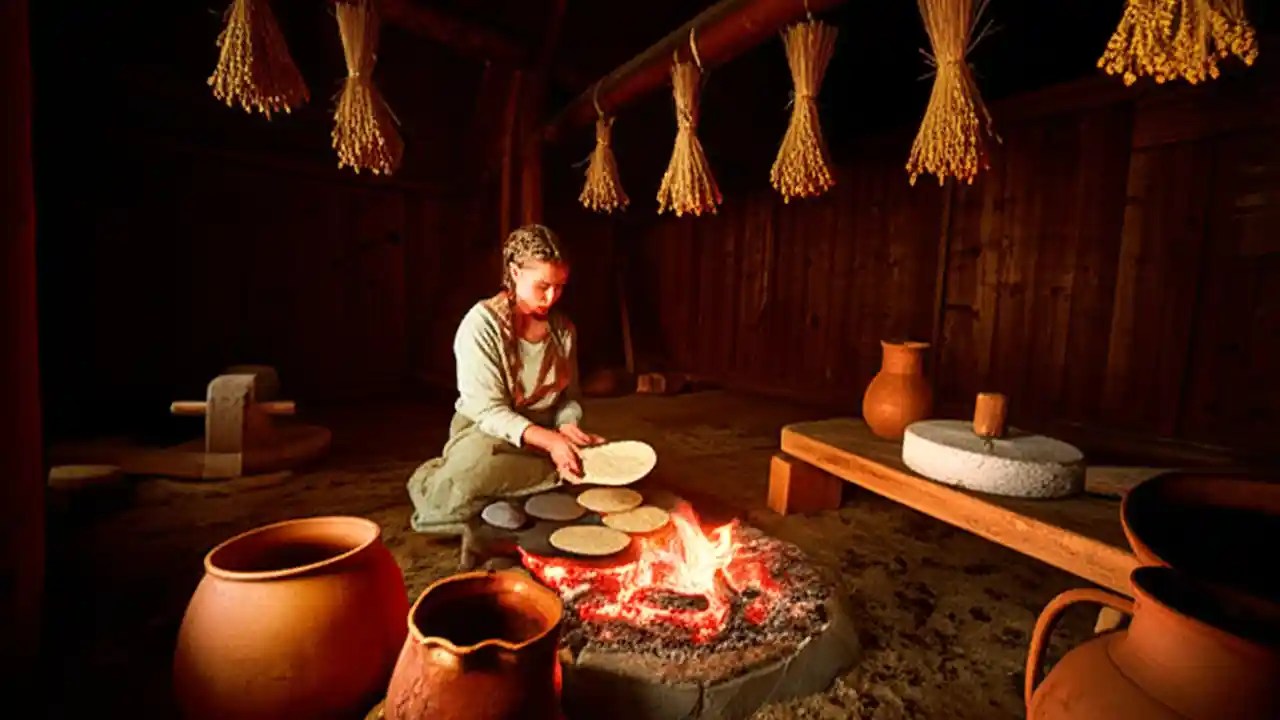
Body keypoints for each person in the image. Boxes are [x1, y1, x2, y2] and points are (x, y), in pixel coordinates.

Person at [407, 224, 605, 535]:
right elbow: (488, 412)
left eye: (560, 286)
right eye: (543, 286)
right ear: (514, 272)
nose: (551, 297)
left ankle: (511, 495)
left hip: (548, 437)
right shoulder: (481, 325)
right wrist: (551, 441)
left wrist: (568, 426)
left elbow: (569, 397)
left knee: (601, 461)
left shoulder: (563, 330)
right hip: (490, 438)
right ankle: (437, 478)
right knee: (468, 477)